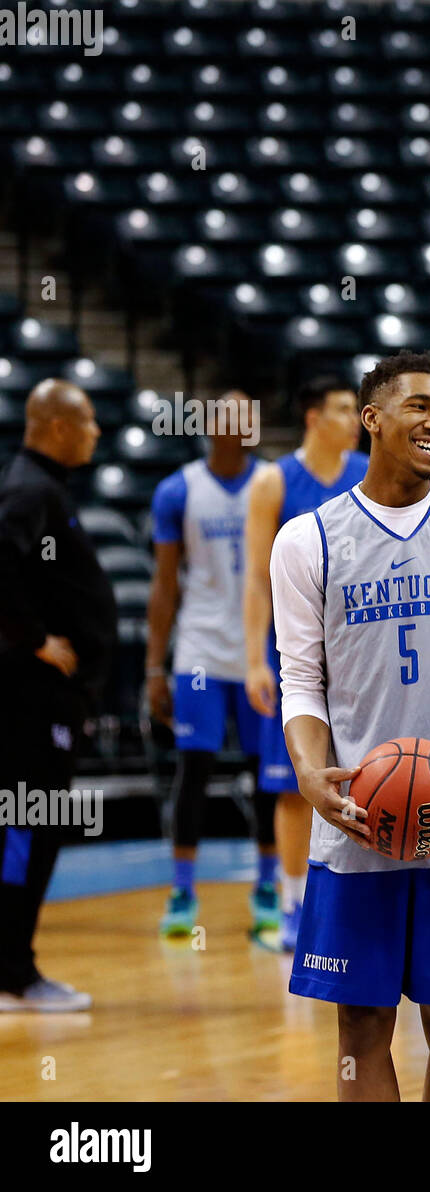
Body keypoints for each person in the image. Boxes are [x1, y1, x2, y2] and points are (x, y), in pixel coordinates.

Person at [270, 349, 430, 1101]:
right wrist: (309, 774)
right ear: (371, 419)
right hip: (357, 815)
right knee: (359, 1029)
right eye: (420, 406)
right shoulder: (307, 540)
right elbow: (301, 681)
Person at [146, 390, 280, 937]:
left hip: (260, 648)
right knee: (194, 768)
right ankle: (182, 890)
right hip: (200, 646)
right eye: (234, 416)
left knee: (266, 773)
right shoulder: (178, 489)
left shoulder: (273, 482)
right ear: (211, 425)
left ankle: (269, 885)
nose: (245, 424)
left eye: (252, 415)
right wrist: (156, 666)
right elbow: (163, 584)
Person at [0, 379, 114, 1011]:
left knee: (31, 827)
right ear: (59, 426)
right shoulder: (28, 489)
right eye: (89, 421)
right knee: (25, 825)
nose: (97, 432)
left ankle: (14, 967)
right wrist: (37, 638)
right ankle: (13, 972)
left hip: (47, 702)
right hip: (30, 702)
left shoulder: (44, 489)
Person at [243, 376, 366, 951]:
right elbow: (255, 580)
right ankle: (292, 906)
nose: (356, 418)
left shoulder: (368, 473)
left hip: (359, 649)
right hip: (294, 654)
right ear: (314, 417)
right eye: (344, 409)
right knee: (295, 786)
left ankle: (355, 899)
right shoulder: (273, 481)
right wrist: (253, 660)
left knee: (365, 775)